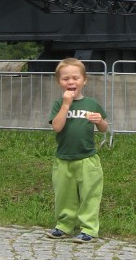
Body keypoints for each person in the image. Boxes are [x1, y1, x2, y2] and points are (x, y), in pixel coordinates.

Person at [47, 58, 109, 243]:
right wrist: (66, 104)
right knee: (64, 195)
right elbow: (57, 127)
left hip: (87, 159)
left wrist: (100, 121)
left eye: (76, 77)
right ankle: (63, 226)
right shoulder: (59, 105)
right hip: (64, 159)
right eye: (66, 78)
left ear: (84, 80)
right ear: (59, 82)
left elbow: (104, 128)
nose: (71, 82)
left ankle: (89, 229)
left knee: (90, 194)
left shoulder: (91, 104)